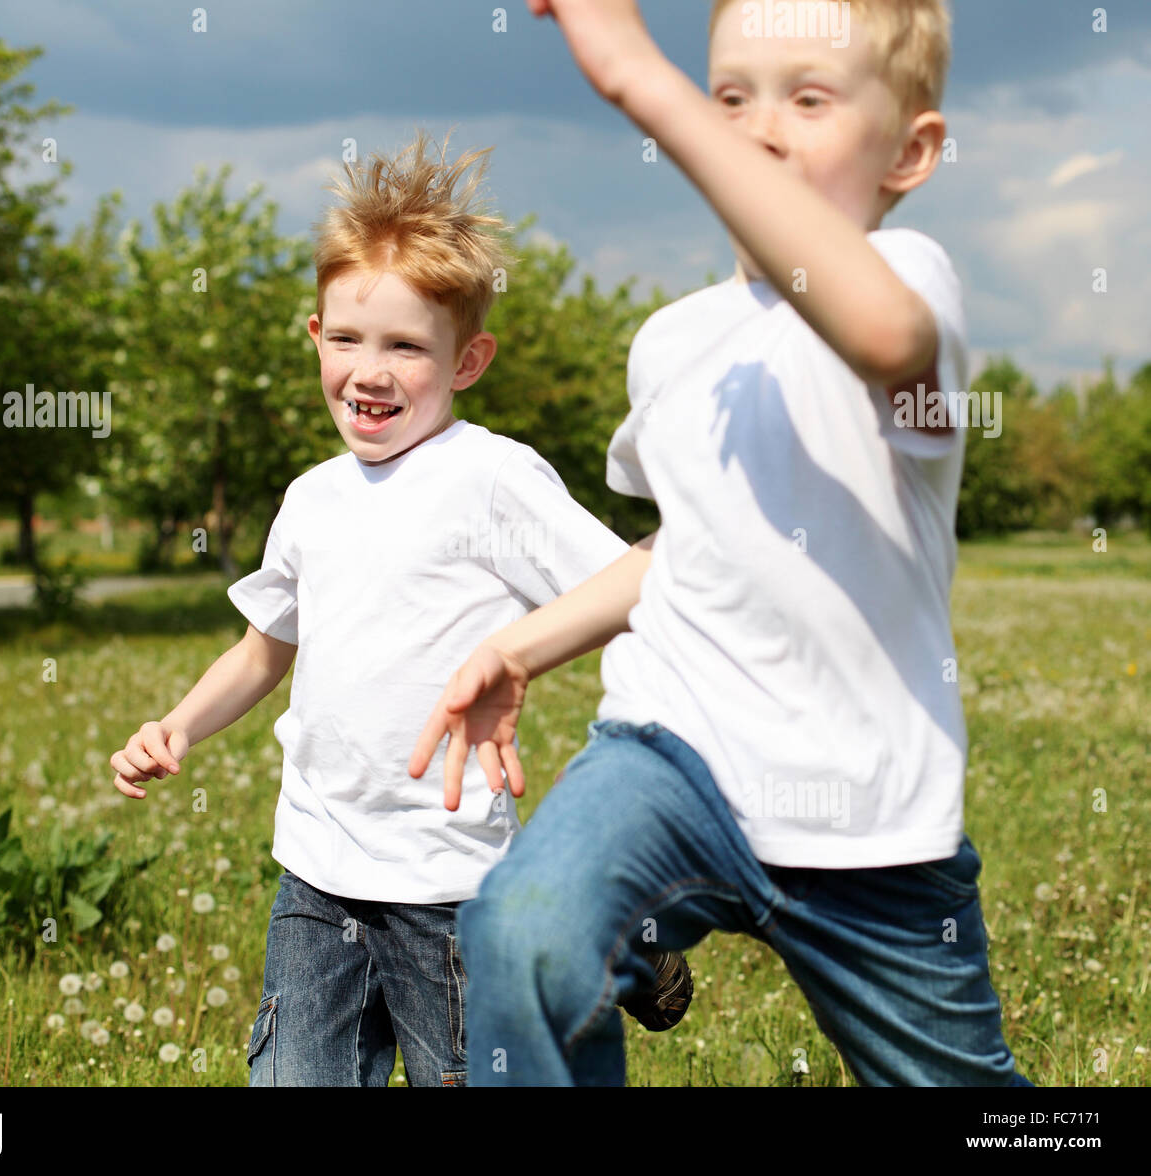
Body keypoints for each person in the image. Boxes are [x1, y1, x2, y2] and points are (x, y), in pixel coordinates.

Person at [410, 0, 1034, 1087]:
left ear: (912, 151)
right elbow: (684, 547)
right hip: (674, 757)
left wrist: (642, 79)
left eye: (808, 98)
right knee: (525, 932)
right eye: (729, 96)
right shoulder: (673, 343)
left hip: (863, 816)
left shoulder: (913, 283)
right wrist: (522, 647)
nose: (754, 128)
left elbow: (883, 337)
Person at [109, 130, 687, 1087]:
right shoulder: (311, 497)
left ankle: (604, 936)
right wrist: (174, 726)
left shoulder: (492, 479)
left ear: (467, 360)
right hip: (316, 871)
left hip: (448, 882)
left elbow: (622, 587)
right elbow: (263, 651)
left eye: (407, 347)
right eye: (347, 339)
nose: (369, 372)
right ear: (315, 338)